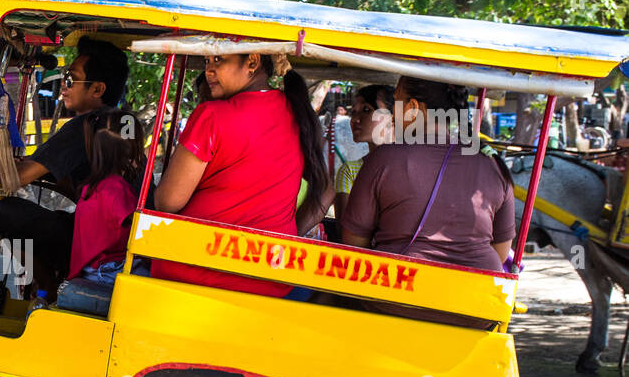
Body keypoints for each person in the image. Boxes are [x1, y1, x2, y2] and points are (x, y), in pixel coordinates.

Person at [150, 52, 329, 297]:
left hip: (193, 272)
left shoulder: (212, 115)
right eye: (206, 62)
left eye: (218, 60)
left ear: (253, 62)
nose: (209, 70)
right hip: (270, 280)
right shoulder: (298, 115)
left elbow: (167, 202)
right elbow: (325, 187)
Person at [0, 37, 131, 291]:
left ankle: (51, 291)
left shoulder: (85, 124)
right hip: (118, 240)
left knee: (4, 211)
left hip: (99, 245)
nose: (63, 85)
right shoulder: (123, 122)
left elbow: (15, 178)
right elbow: (93, 187)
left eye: (71, 80)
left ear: (97, 90)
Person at [341, 77, 514, 272]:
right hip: (478, 296)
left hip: (398, 295)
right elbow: (501, 251)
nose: (392, 115)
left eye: (397, 102)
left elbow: (353, 243)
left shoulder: (383, 159)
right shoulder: (493, 164)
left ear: (413, 108)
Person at [65, 110, 145, 287]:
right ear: (132, 151)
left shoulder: (90, 187)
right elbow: (140, 231)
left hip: (89, 269)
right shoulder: (118, 189)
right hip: (109, 270)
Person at [332, 84, 395, 223]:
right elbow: (344, 232)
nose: (355, 119)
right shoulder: (350, 171)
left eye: (366, 110)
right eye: (353, 112)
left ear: (393, 116)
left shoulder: (411, 169)